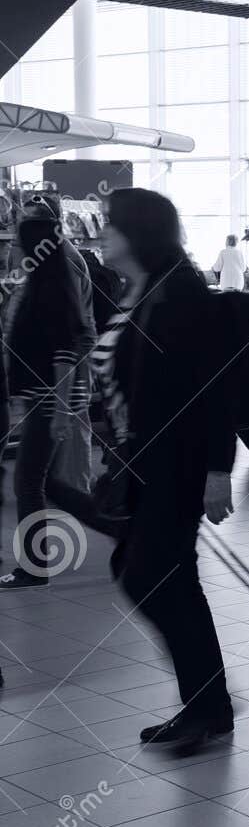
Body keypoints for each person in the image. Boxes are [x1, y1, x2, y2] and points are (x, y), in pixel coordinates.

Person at [100, 189, 237, 753]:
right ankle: (209, 705)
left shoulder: (179, 293)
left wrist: (218, 470)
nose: (102, 233)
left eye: (110, 224)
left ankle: (207, 705)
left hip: (177, 463)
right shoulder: (137, 291)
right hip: (144, 463)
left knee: (152, 576)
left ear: (139, 231)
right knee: (155, 575)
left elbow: (216, 386)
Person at [1, 202, 94, 590]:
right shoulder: (40, 284)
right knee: (48, 483)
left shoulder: (52, 290)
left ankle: (34, 568)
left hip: (49, 402)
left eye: (17, 244)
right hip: (43, 401)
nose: (12, 250)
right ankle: (116, 523)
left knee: (27, 483)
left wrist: (58, 412)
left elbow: (64, 354)